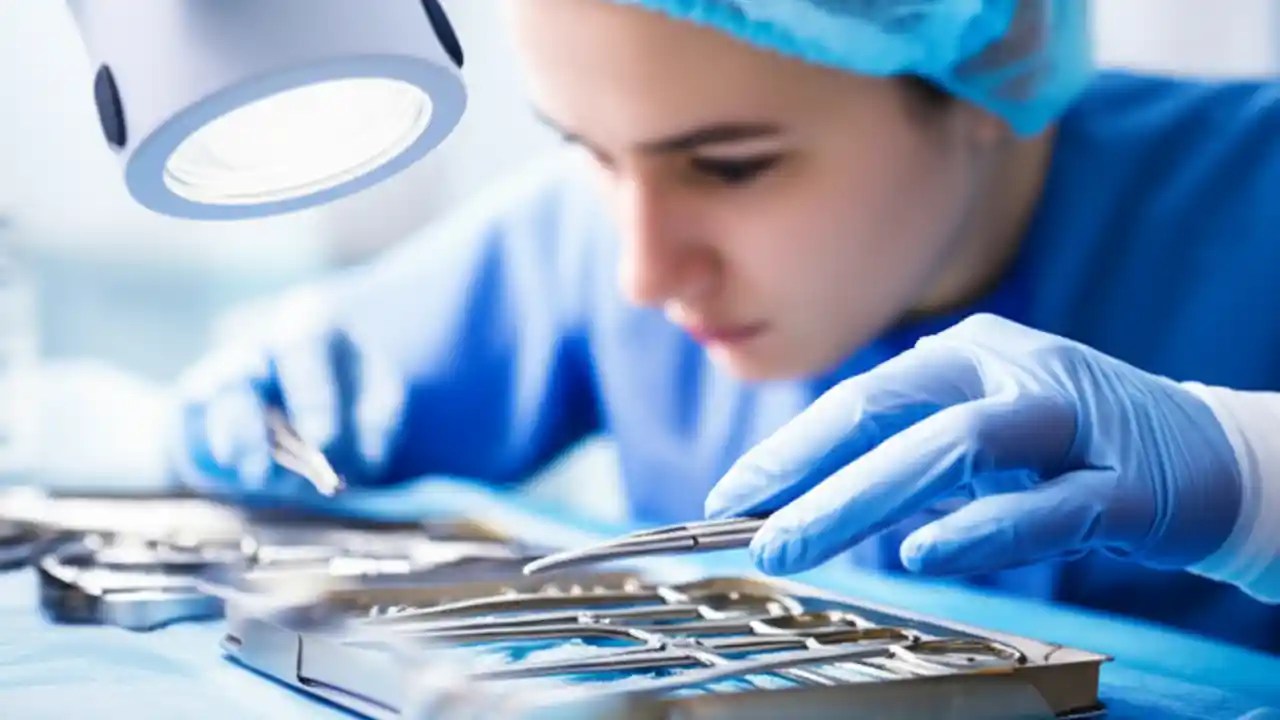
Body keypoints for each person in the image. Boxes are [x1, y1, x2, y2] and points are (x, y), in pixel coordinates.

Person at [170, 0, 1280, 650]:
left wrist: (1253, 488)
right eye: (586, 150)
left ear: (987, 66)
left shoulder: (1253, 189)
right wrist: (248, 415)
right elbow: (274, 431)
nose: (643, 273)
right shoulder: (574, 240)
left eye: (731, 165)